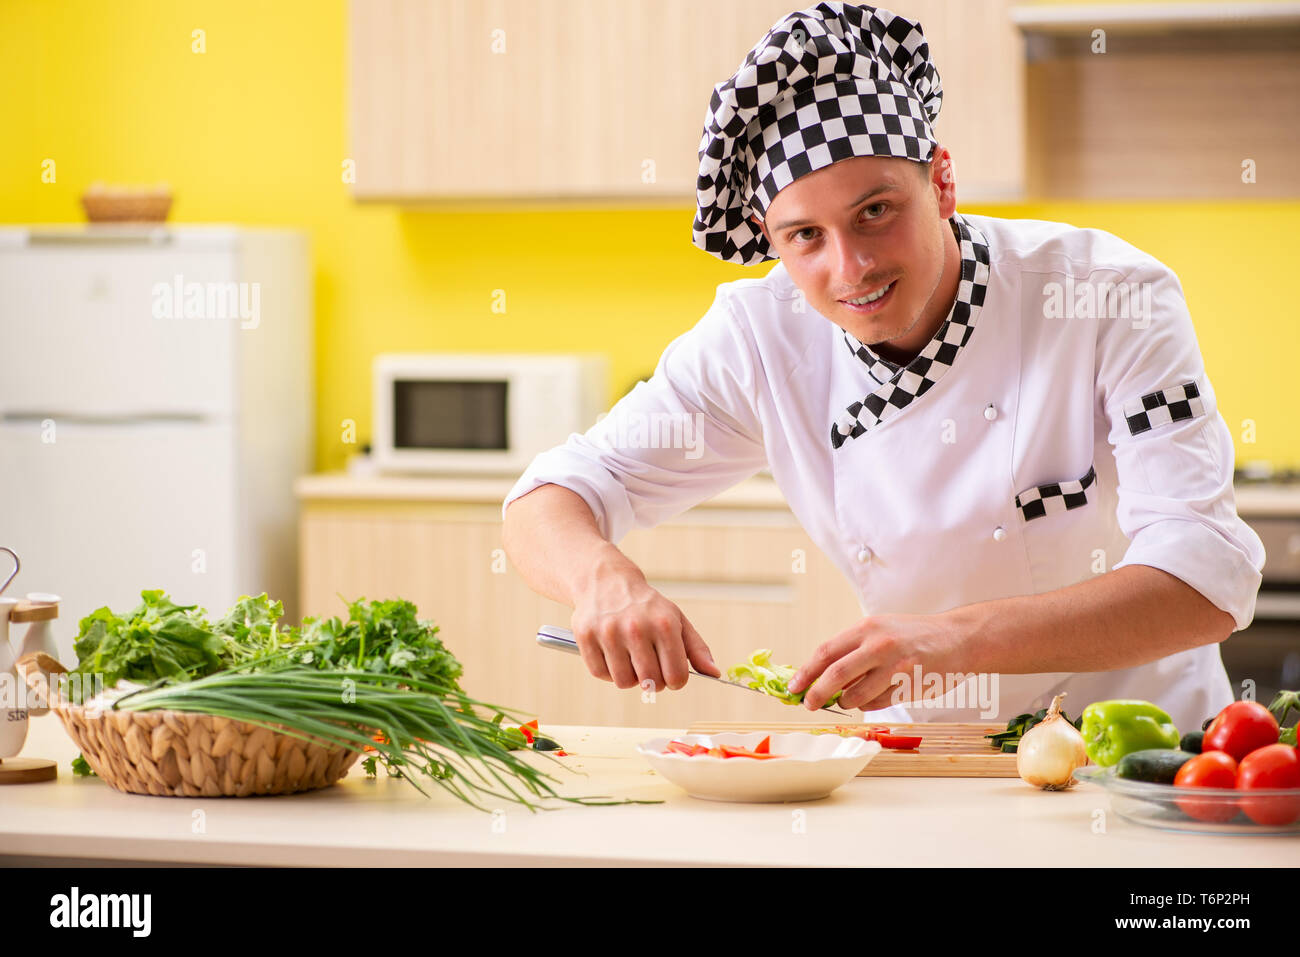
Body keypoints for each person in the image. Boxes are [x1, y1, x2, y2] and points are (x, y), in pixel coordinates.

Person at [500, 2, 1264, 731]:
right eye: (805, 236)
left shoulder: (1105, 296)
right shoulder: (759, 340)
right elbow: (547, 497)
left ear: (941, 182)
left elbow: (1205, 576)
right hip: (925, 757)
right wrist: (604, 581)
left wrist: (956, 640)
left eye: (875, 211)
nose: (851, 267)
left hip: (1140, 756)